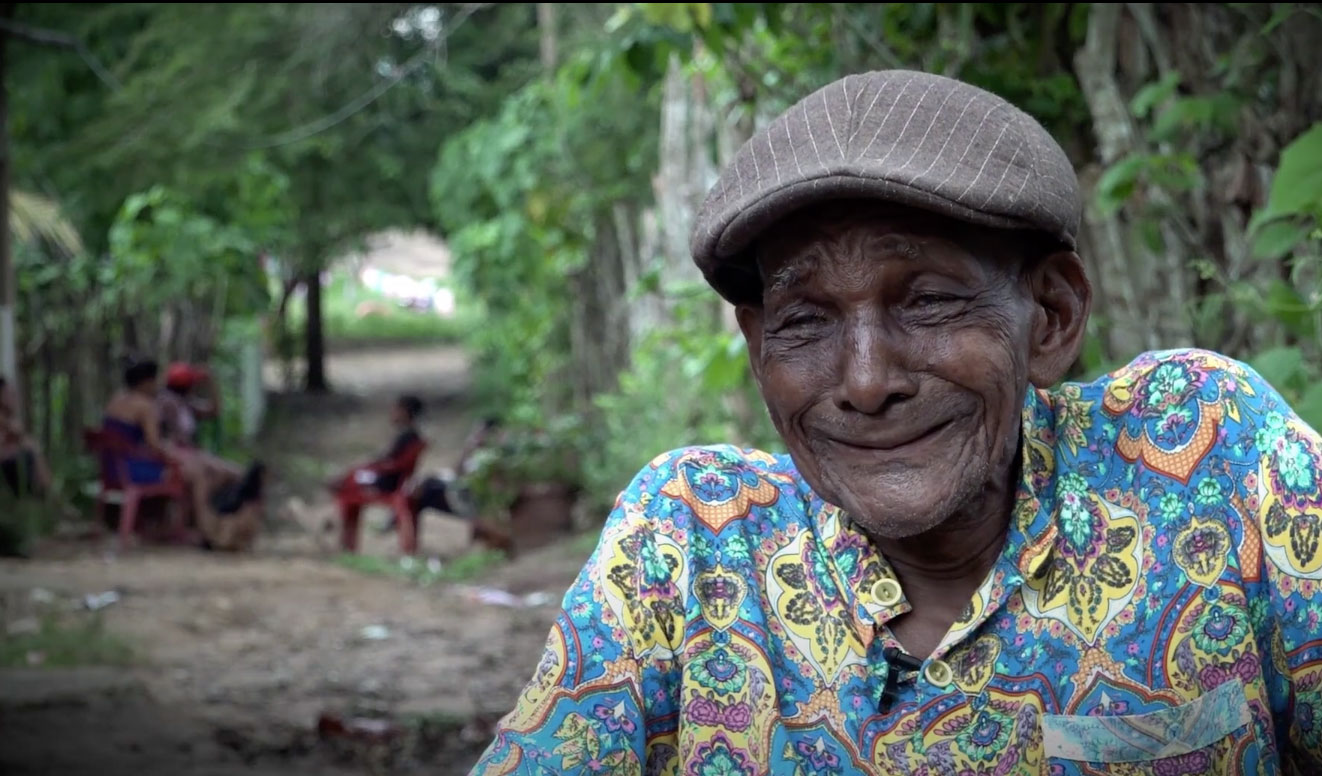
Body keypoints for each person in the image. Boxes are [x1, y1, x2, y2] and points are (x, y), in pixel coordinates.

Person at [469, 70, 1322, 774]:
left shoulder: (1206, 451)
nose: (868, 381)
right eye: (806, 321)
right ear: (761, 347)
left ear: (1051, 317)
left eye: (930, 301)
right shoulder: (694, 538)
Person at [0, 376, 52, 498]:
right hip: (8, 467)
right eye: (8, 394)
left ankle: (48, 494)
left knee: (32, 447)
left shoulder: (10, 420)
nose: (13, 398)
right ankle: (48, 494)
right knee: (31, 449)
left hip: (16, 467)